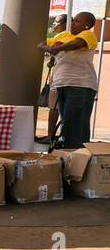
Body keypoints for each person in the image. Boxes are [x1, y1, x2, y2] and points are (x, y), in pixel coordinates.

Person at [41, 10, 100, 149]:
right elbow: (41, 43)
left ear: (87, 25)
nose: (73, 23)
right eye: (73, 20)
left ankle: (77, 156)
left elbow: (76, 44)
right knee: (67, 122)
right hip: (62, 83)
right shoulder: (63, 35)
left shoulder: (88, 35)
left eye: (77, 21)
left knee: (76, 123)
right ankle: (68, 152)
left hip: (80, 84)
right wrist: (49, 48)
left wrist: (58, 48)